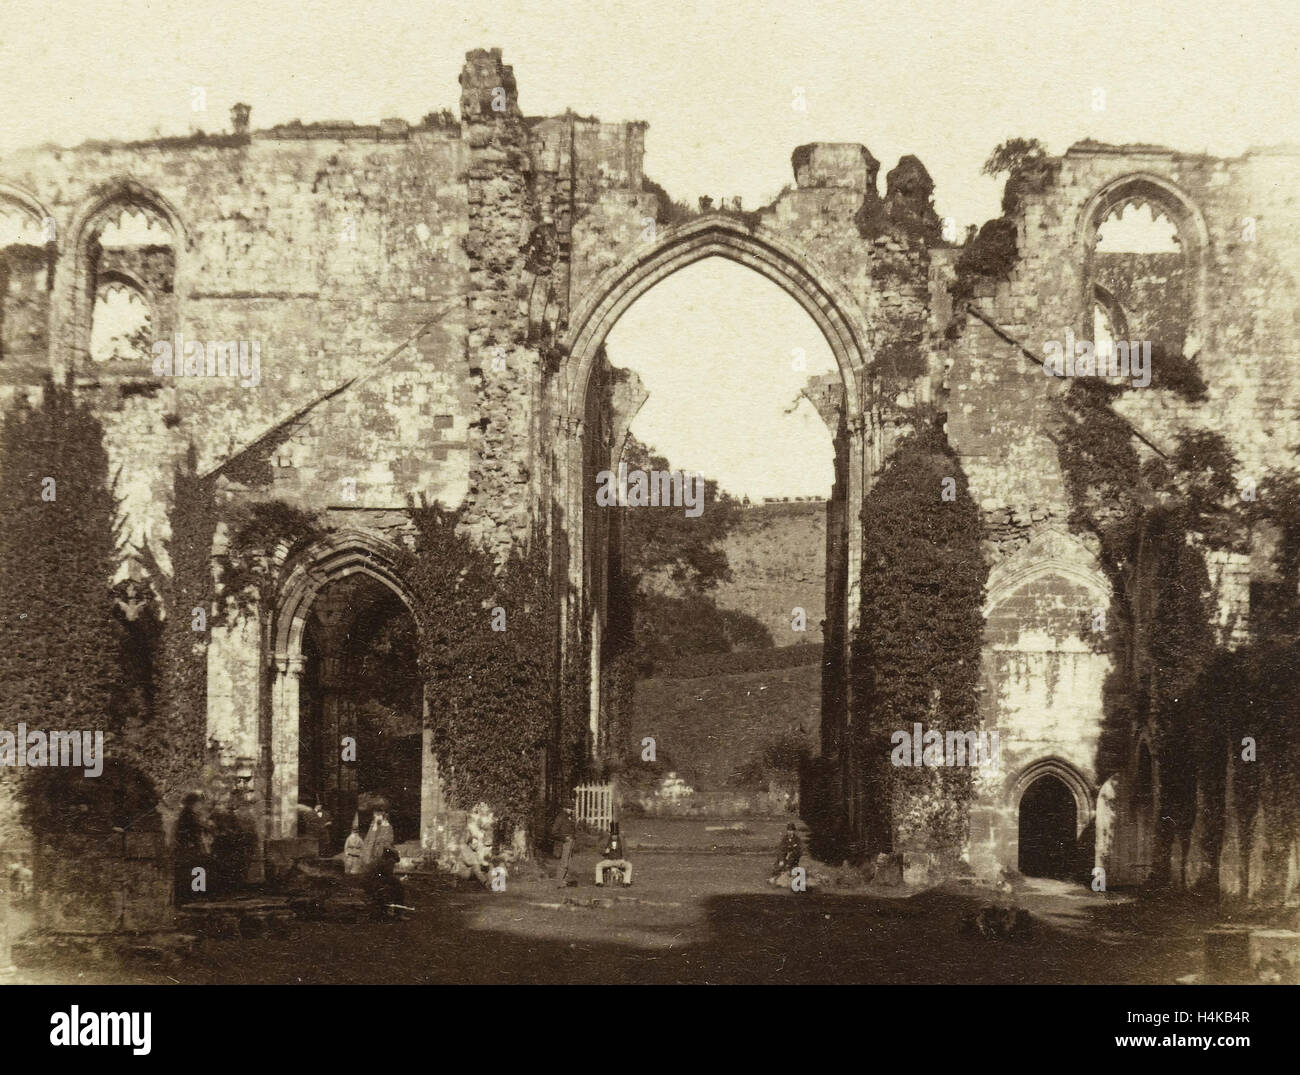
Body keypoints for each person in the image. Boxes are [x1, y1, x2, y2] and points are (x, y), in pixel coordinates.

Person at [595, 821, 632, 887]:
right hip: (609, 860)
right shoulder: (606, 840)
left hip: (619, 860)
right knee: (598, 866)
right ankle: (599, 882)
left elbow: (627, 852)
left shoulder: (622, 841)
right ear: (610, 834)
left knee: (629, 866)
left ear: (618, 834)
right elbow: (598, 849)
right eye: (613, 835)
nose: (614, 836)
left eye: (615, 835)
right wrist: (604, 851)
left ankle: (626, 882)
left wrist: (624, 859)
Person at [551, 806, 576, 889]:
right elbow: (554, 832)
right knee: (564, 863)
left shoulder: (570, 818)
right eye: (569, 808)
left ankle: (564, 881)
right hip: (564, 843)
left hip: (571, 842)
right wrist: (564, 838)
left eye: (572, 808)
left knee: (568, 862)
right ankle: (559, 882)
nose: (571, 810)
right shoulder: (560, 817)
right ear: (564, 808)